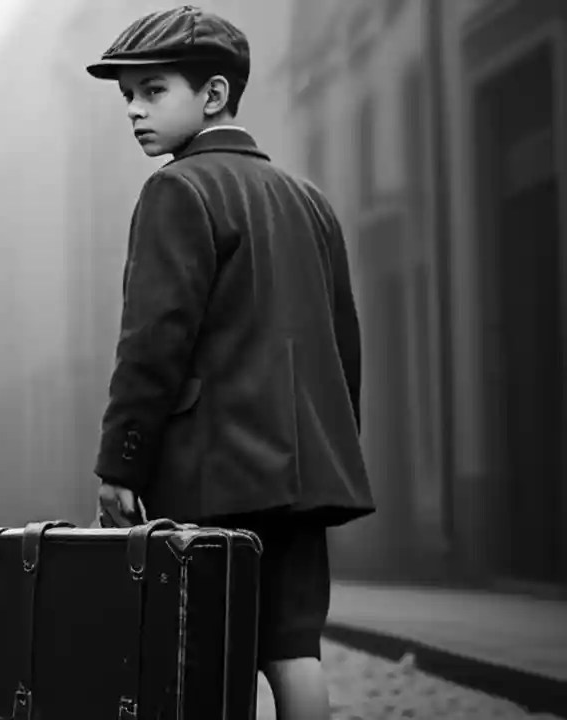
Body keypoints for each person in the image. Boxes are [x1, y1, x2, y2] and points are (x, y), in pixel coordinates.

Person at [83, 6, 377, 719]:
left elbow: (152, 343)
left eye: (153, 91)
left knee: (207, 652)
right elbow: (345, 347)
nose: (134, 110)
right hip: (302, 471)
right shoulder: (309, 201)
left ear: (213, 95)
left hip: (212, 470)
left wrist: (122, 463)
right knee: (292, 647)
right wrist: (329, 444)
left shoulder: (176, 190)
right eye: (128, 95)